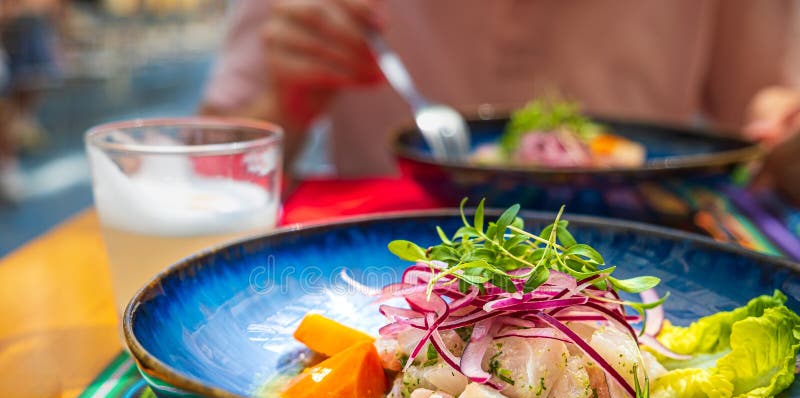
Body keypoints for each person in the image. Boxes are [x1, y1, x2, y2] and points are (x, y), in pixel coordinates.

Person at [201, 0, 800, 200]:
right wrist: (282, 99)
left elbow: (762, 134)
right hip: (372, 255)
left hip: (650, 243)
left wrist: (784, 132)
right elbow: (202, 173)